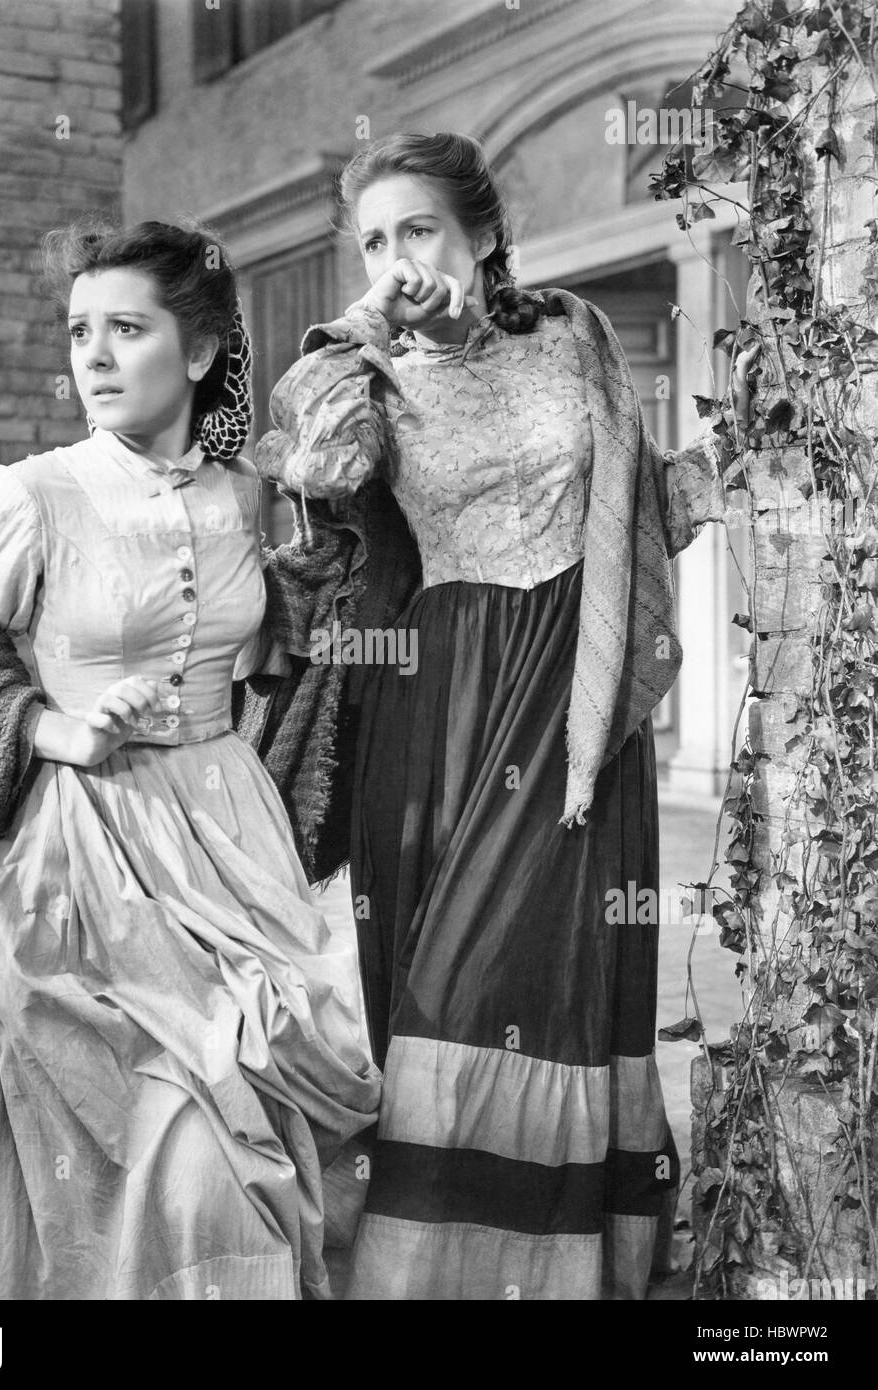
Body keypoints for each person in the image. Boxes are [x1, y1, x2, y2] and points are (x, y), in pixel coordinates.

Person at [255, 132, 755, 1300]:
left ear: (481, 234)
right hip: (437, 713)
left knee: (551, 980)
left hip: (572, 705)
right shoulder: (364, 377)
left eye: (417, 230)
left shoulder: (573, 334)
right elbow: (317, 469)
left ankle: (564, 1268)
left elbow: (629, 507)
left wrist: (738, 460)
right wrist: (366, 327)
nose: (398, 258)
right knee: (448, 982)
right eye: (373, 242)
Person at [0, 219, 380, 1300]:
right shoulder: (32, 494)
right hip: (80, 862)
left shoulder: (250, 498)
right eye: (79, 331)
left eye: (125, 329)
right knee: (181, 1164)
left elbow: (292, 664)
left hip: (234, 844)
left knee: (277, 1146)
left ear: (198, 352)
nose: (92, 357)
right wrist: (57, 726)